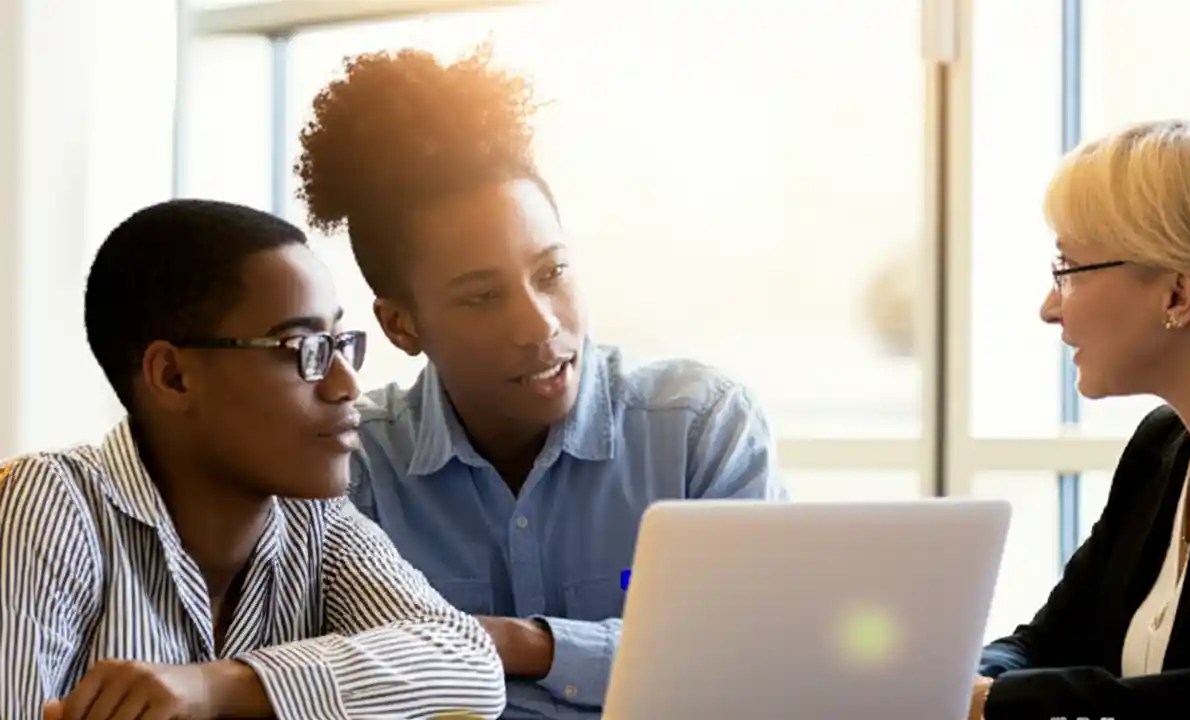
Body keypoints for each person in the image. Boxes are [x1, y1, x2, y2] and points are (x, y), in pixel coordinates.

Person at [294, 46, 785, 718]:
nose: (540, 325)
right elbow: (348, 683)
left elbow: (756, 659)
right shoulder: (358, 473)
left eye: (551, 273)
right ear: (401, 326)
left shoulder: (700, 430)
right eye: (482, 297)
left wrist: (522, 645)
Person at [0, 199, 506, 720]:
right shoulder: (53, 503)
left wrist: (216, 687)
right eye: (303, 348)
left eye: (339, 344)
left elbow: (468, 664)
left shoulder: (317, 522)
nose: (346, 384)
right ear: (173, 377)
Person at [968, 119, 1190, 720]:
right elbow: (1048, 640)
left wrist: (996, 701)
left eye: (1067, 269)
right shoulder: (1161, 448)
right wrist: (964, 677)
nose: (1049, 308)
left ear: (1178, 295)